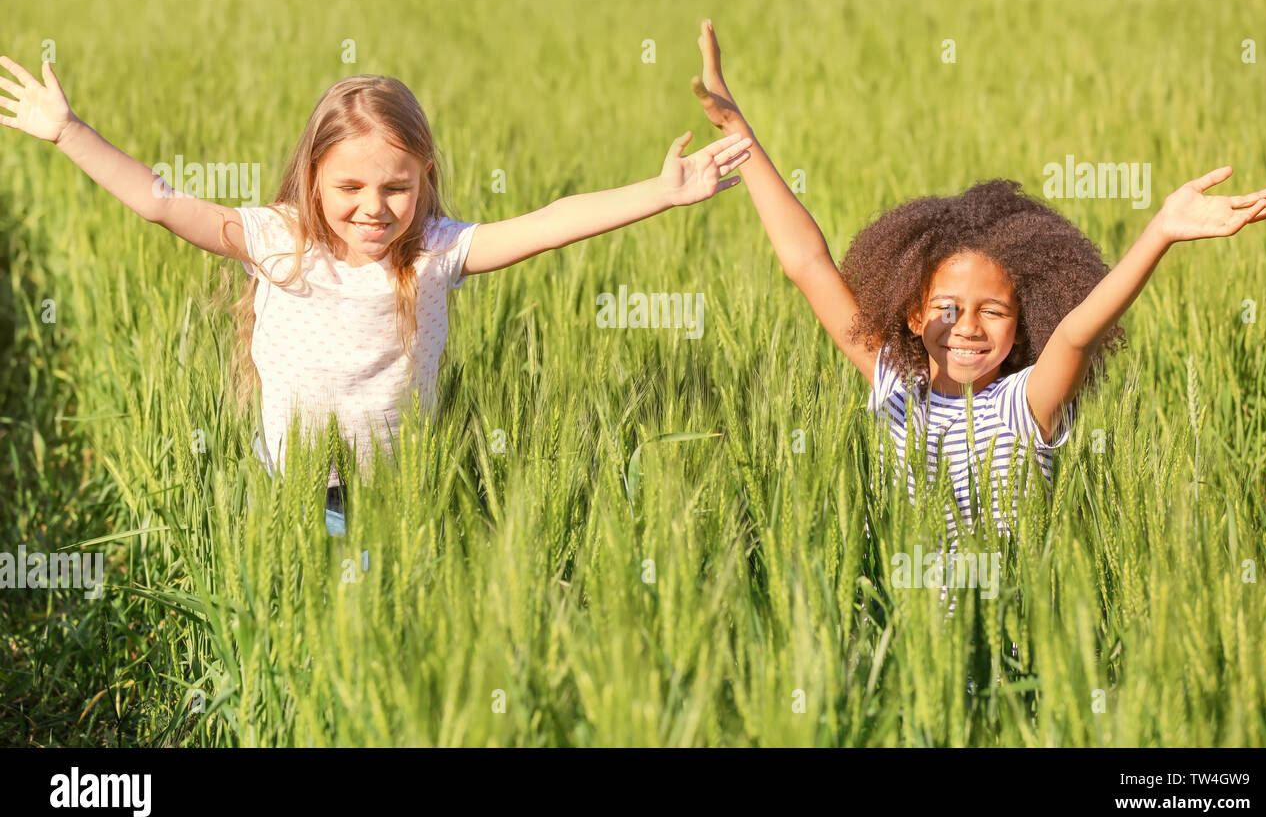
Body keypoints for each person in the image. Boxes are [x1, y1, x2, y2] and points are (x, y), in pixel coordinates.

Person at [1, 57, 751, 535]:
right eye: (349, 187)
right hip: (290, 484)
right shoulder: (278, 241)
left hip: (398, 490)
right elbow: (161, 199)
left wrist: (658, 193)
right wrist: (68, 132)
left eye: (397, 187)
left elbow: (550, 224)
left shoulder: (435, 252)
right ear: (312, 178)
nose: (374, 207)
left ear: (425, 174)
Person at [688, 19, 1266, 541]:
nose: (967, 327)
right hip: (905, 644)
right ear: (914, 314)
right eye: (946, 307)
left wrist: (1160, 231)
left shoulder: (1025, 405)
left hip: (1006, 656)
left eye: (993, 311)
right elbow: (807, 263)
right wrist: (738, 131)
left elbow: (1077, 334)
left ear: (1024, 318)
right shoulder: (896, 388)